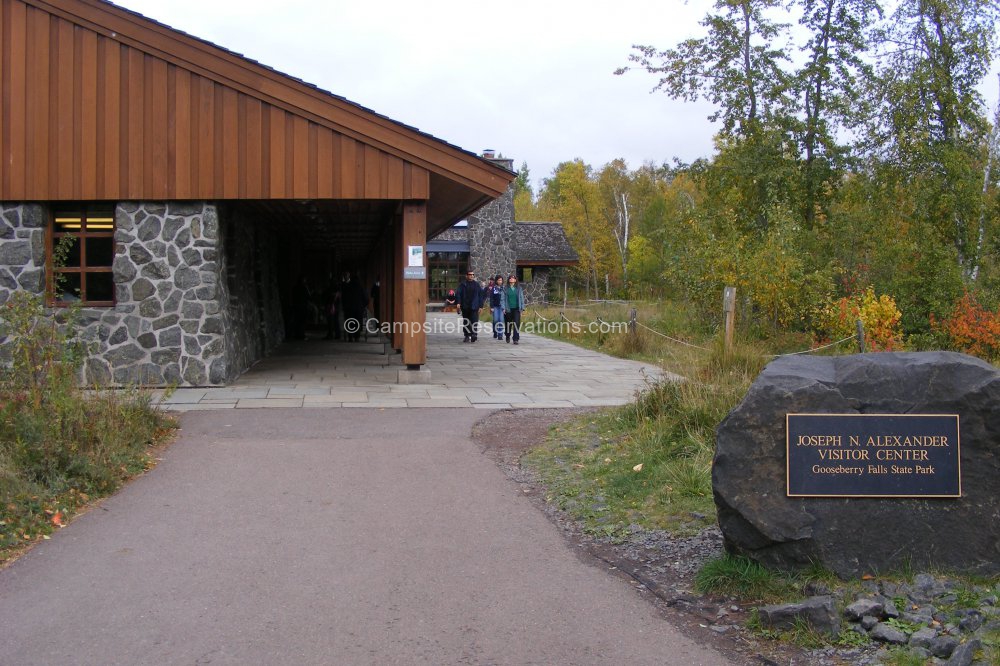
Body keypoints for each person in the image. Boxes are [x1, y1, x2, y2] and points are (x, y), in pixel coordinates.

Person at [456, 269, 485, 342]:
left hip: (474, 306)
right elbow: (458, 294)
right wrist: (458, 303)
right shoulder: (462, 284)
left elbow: (480, 296)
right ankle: (467, 335)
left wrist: (481, 306)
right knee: (466, 321)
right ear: (466, 276)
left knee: (474, 321)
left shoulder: (476, 285)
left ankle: (474, 334)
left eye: (473, 275)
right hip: (465, 306)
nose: (472, 276)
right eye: (470, 274)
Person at [341, 271, 367, 342]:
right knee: (357, 323)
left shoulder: (347, 287)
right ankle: (356, 337)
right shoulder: (361, 287)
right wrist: (363, 306)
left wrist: (344, 306)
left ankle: (350, 337)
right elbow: (365, 298)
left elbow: (343, 298)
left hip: (349, 309)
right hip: (359, 309)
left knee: (350, 322)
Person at [502, 273, 526, 345]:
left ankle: (515, 339)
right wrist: (503, 308)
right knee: (508, 324)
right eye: (510, 278)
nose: (512, 279)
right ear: (508, 280)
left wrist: (522, 308)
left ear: (515, 280)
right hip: (508, 309)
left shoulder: (519, 288)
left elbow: (521, 298)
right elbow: (502, 299)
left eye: (513, 278)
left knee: (516, 323)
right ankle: (507, 335)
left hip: (516, 309)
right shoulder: (505, 288)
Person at [488, 274, 505, 341]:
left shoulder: (504, 288)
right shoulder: (493, 288)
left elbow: (505, 298)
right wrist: (491, 307)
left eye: (501, 280)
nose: (500, 281)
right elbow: (491, 298)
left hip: (502, 307)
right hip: (495, 306)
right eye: (499, 280)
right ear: (496, 281)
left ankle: (500, 335)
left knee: (501, 320)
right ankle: (495, 331)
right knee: (495, 320)